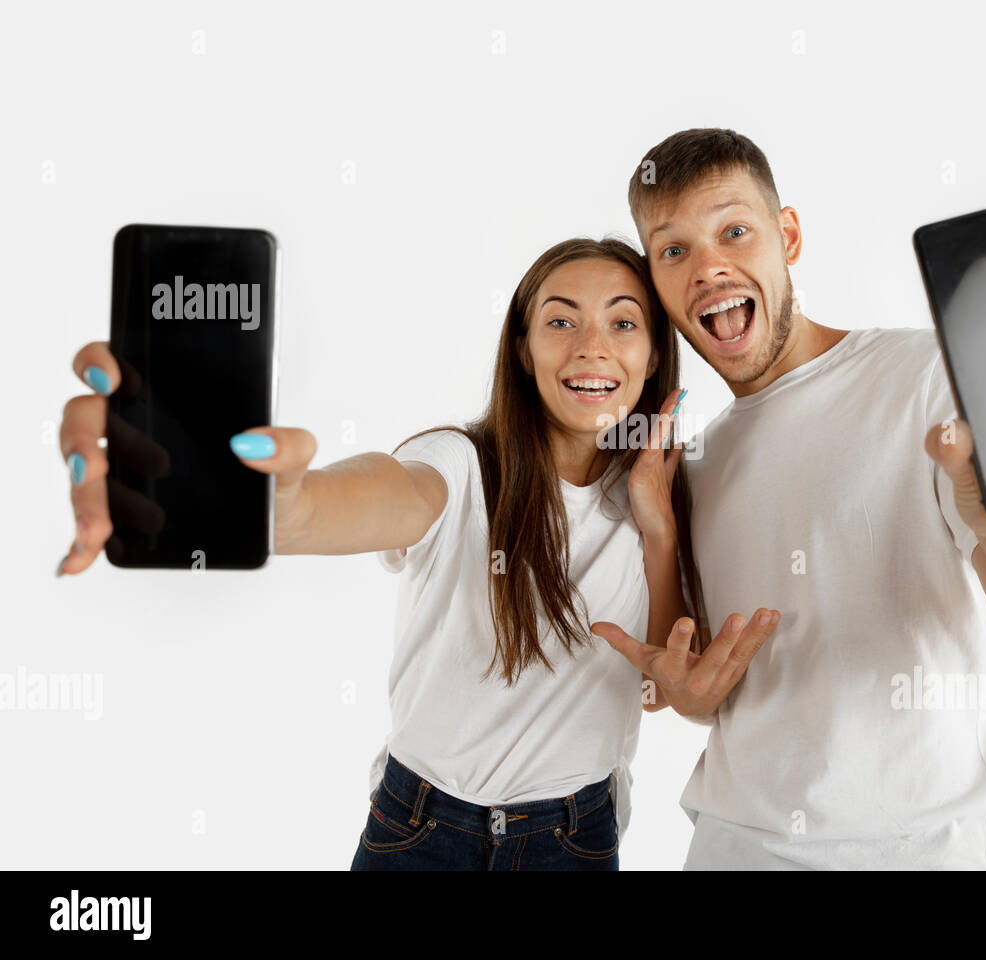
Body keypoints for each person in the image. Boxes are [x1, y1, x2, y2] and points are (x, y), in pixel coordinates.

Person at [55, 236, 781, 870]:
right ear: (524, 350)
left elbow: (656, 687)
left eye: (624, 323)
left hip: (574, 839)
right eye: (561, 319)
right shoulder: (459, 463)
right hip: (420, 829)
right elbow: (370, 497)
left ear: (654, 354)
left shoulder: (667, 493)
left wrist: (656, 529)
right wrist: (278, 502)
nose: (592, 346)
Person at [595, 129, 986, 869]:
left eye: (734, 230)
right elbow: (711, 694)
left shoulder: (932, 381)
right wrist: (680, 670)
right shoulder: (696, 462)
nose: (708, 266)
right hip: (732, 847)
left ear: (789, 236)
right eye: (674, 251)